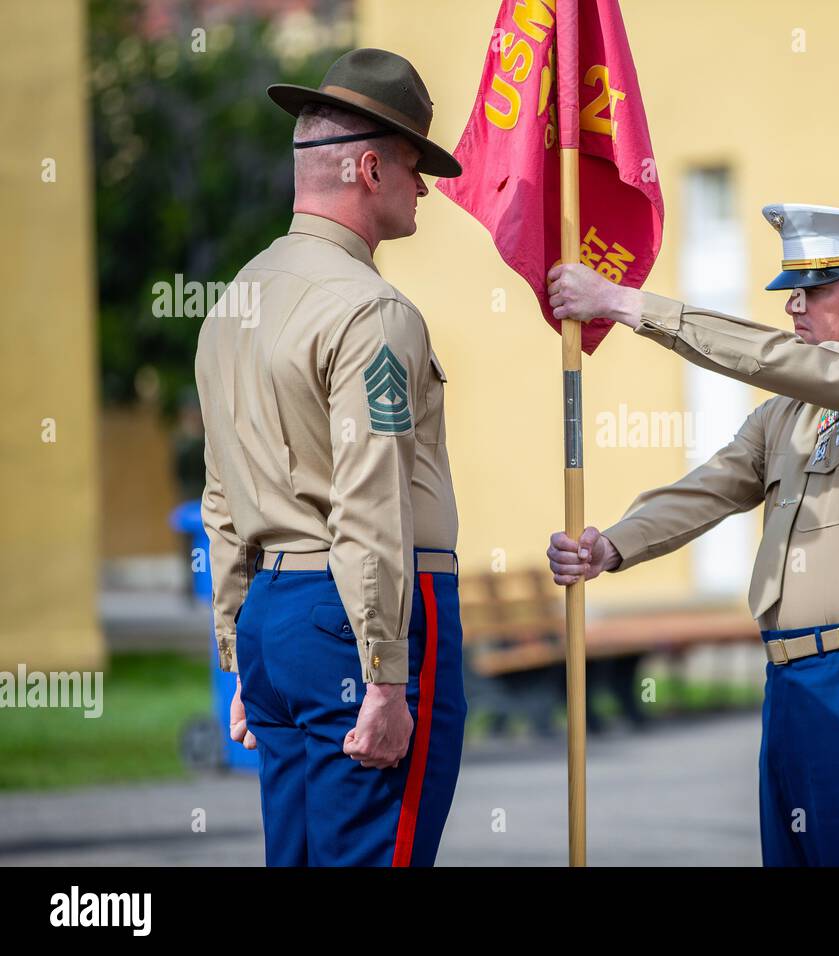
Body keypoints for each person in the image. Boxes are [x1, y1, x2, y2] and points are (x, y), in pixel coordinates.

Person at [545, 204, 839, 866]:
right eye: (790, 289)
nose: (794, 305)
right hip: (792, 679)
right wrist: (612, 545)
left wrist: (626, 303)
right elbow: (710, 489)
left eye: (815, 289)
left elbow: (773, 359)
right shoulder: (787, 415)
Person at [195, 48, 467, 866]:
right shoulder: (373, 311)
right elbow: (369, 498)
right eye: (417, 167)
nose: (424, 189)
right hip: (359, 617)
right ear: (370, 167)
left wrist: (240, 652)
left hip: (278, 619)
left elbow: (221, 498)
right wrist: (386, 670)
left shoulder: (233, 303)